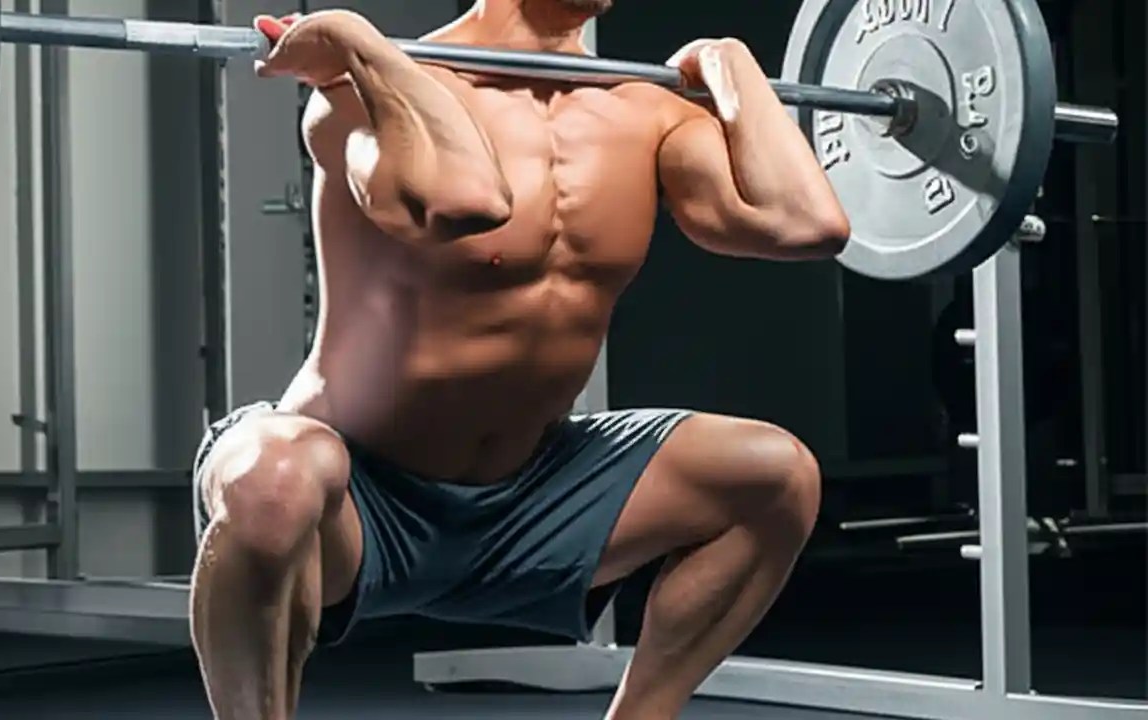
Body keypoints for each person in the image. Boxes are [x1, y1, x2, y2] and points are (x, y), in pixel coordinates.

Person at [189, 0, 850, 718]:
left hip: (531, 495)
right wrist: (359, 42)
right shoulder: (366, 91)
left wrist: (733, 67)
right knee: (273, 479)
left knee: (777, 477)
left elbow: (806, 222)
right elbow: (460, 203)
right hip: (357, 502)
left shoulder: (644, 110)